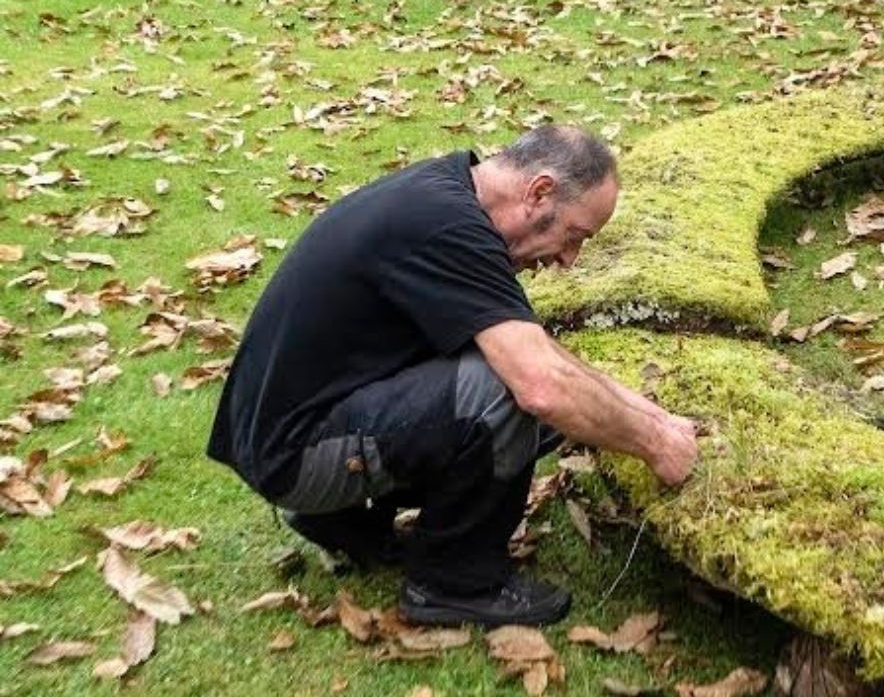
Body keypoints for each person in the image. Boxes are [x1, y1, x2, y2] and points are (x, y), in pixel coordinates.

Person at [206, 125, 699, 627]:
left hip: (288, 432)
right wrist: (657, 446)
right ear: (540, 192)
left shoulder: (451, 194)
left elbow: (543, 351)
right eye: (575, 236)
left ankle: (344, 520)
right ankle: (455, 582)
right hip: (294, 456)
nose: (569, 261)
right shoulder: (447, 228)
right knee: (509, 393)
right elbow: (541, 384)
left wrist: (653, 416)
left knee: (546, 396)